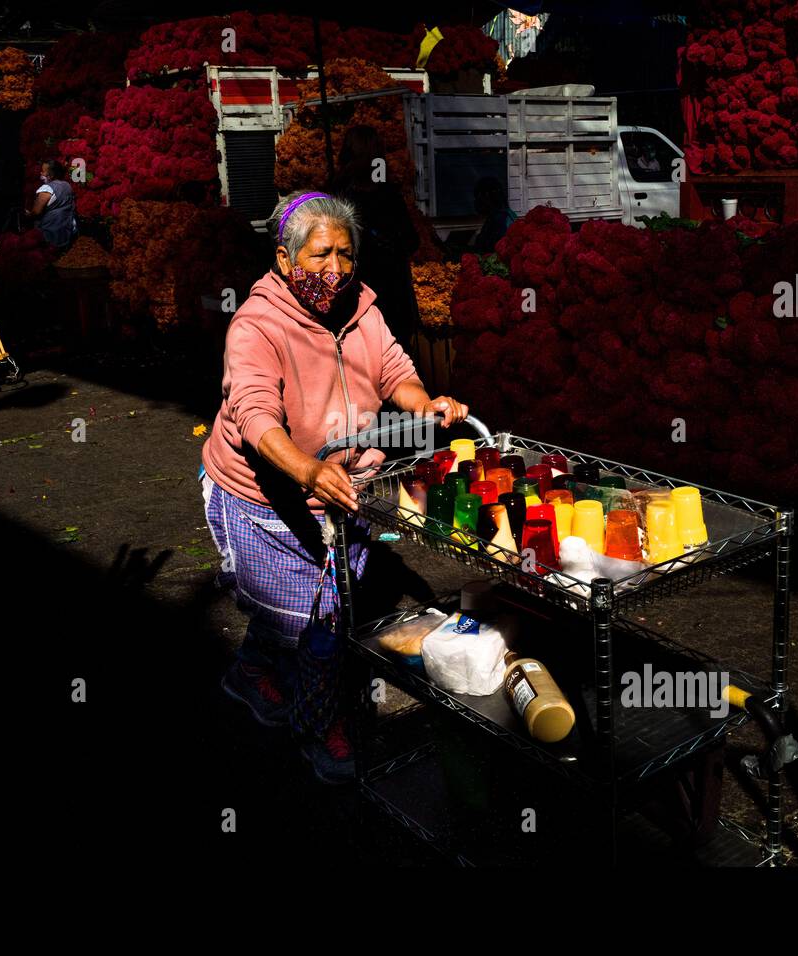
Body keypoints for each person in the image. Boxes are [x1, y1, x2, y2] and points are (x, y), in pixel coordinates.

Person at [200, 189, 469, 784]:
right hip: (266, 497)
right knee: (316, 626)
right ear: (284, 256)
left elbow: (394, 368)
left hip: (346, 485)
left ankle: (251, 672)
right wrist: (306, 467)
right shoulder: (256, 325)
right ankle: (321, 728)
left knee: (318, 609)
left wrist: (426, 404)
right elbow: (254, 414)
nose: (336, 270)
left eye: (346, 254)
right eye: (321, 255)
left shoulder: (362, 309)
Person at [329, 125, 420, 349]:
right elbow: (411, 242)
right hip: (390, 300)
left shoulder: (336, 196)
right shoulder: (388, 195)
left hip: (354, 301)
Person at [26, 159, 77, 252]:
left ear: (51, 174)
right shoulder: (67, 185)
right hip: (65, 232)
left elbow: (36, 212)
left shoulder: (46, 189)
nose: (41, 173)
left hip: (49, 234)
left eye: (43, 171)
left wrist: (28, 214)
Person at [470, 176, 517, 254]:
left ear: (487, 196)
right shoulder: (499, 215)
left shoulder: (501, 220)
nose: (476, 202)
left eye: (478, 197)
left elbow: (491, 249)